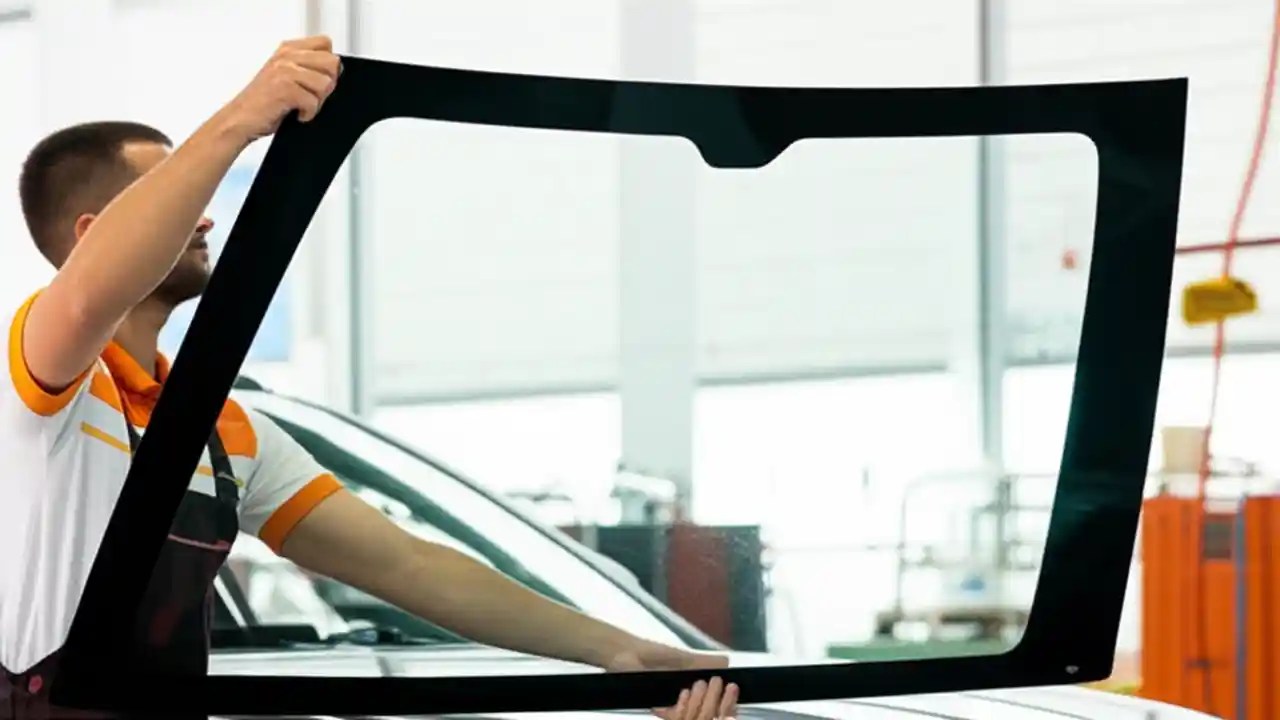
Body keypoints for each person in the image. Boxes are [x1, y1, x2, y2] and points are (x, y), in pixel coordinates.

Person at [0, 35, 735, 718]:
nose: (205, 219)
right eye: (178, 194)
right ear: (93, 235)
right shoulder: (40, 379)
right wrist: (239, 122)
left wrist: (617, 651)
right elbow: (90, 295)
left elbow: (410, 565)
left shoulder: (229, 437)